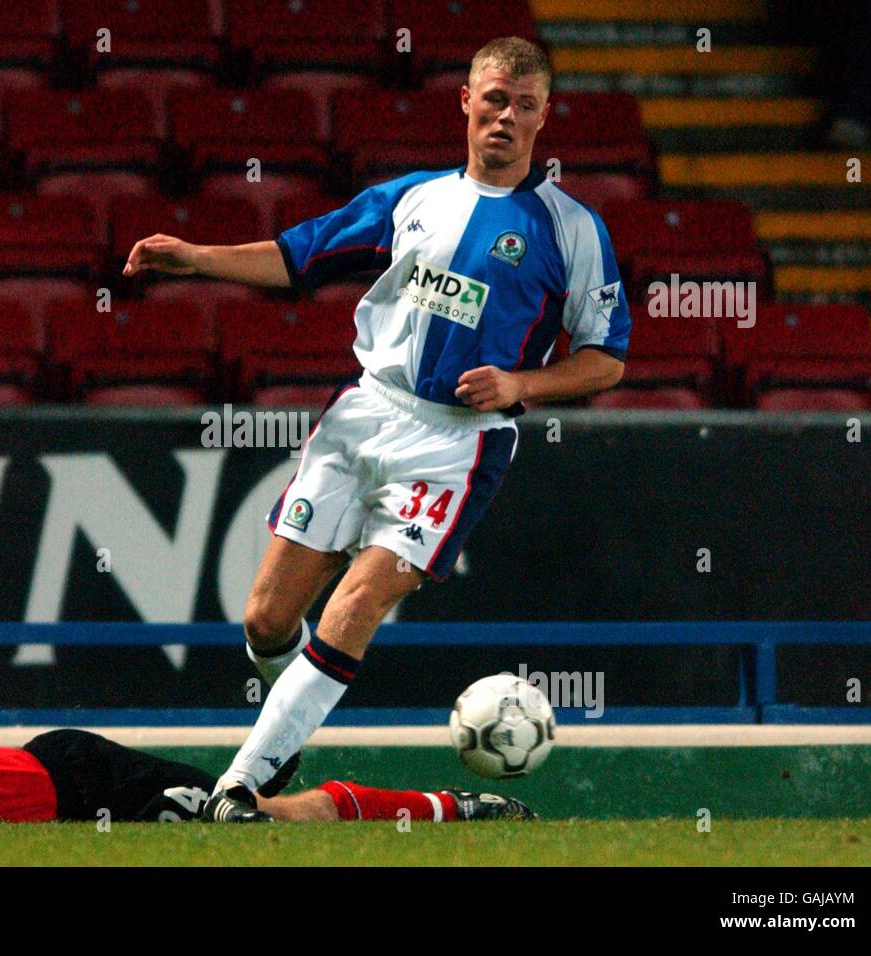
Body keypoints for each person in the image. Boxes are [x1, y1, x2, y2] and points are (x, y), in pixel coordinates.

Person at [121, 36, 629, 822]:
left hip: (457, 444)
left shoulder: (570, 230)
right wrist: (197, 257)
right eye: (494, 99)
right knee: (265, 620)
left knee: (354, 605)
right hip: (362, 416)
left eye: (524, 106)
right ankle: (291, 719)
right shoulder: (412, 200)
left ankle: (242, 786)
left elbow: (606, 360)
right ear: (466, 102)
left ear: (543, 117)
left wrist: (523, 384)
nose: (506, 117)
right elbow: (298, 257)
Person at [0, 663, 534, 825]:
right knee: (250, 818)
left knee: (253, 821)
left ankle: (452, 805)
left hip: (78, 778)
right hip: (61, 799)